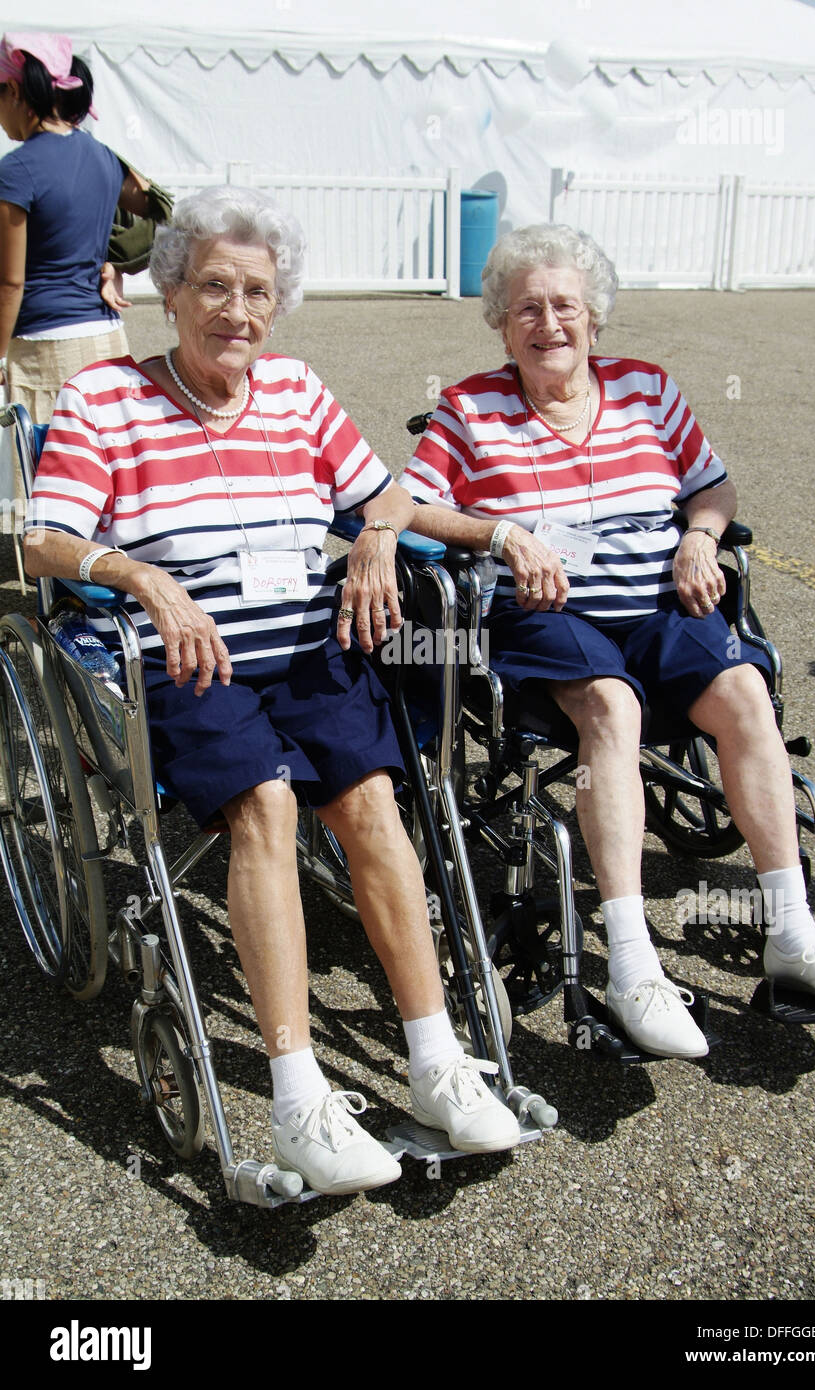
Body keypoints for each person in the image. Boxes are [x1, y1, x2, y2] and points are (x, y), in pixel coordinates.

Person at [22, 185, 521, 1195]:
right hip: (186, 658)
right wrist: (143, 576)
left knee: (376, 801)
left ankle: (435, 1061)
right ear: (171, 291)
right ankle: (297, 1096)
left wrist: (378, 535)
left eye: (256, 291)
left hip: (306, 642)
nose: (236, 311)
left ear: (278, 303)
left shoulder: (294, 391)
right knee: (264, 802)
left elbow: (382, 492)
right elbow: (42, 540)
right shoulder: (103, 400)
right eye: (214, 286)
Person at [402, 222, 815, 1059]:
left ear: (595, 317)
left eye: (565, 307)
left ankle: (793, 933)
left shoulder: (648, 390)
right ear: (502, 326)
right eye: (527, 310)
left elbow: (713, 485)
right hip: (547, 612)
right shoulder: (473, 405)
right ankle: (630, 962)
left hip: (659, 599)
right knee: (611, 708)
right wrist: (503, 535)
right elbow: (404, 506)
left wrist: (698, 535)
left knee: (743, 692)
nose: (549, 324)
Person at [0, 31, 153, 456]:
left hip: (43, 348)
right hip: (106, 341)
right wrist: (117, 265)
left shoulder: (15, 171)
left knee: (46, 481)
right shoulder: (104, 155)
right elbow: (159, 208)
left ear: (14, 91)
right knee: (104, 469)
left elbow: (10, 282)